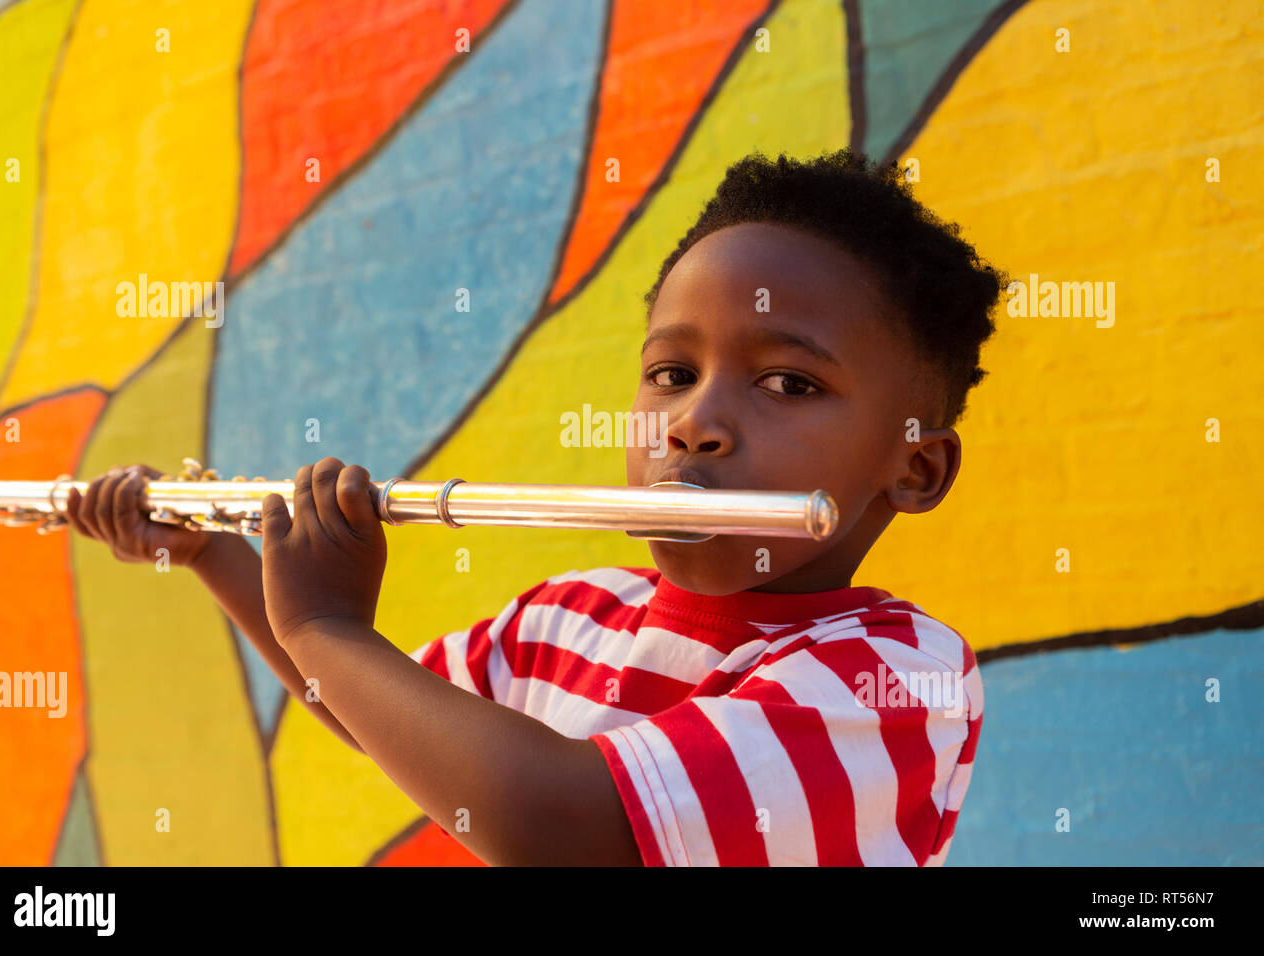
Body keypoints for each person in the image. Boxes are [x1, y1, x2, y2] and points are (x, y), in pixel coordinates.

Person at [67, 148, 1004, 866]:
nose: (696, 423)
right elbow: (367, 710)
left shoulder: (894, 677)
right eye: (671, 374)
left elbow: (556, 823)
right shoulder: (570, 613)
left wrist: (323, 624)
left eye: (789, 384)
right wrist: (210, 555)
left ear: (914, 467)